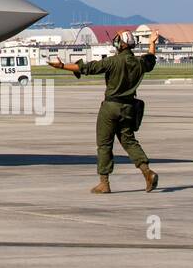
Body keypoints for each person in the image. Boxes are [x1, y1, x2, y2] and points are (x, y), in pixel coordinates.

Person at [48, 31, 160, 194]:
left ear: (120, 44)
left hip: (110, 108)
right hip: (128, 108)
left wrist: (62, 66)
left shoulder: (112, 62)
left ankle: (104, 183)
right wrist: (152, 43)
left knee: (104, 145)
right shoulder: (140, 63)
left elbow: (87, 68)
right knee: (129, 141)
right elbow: (151, 59)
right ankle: (147, 172)